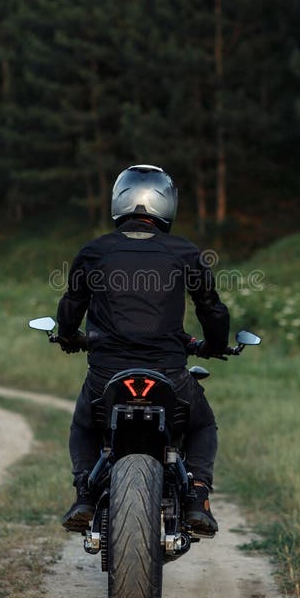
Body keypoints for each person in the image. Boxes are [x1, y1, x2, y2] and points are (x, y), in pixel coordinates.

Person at [56, 164, 230, 536]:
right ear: (167, 203)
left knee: (84, 423)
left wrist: (68, 336)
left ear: (119, 200)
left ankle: (84, 494)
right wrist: (215, 345)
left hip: (107, 376)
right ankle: (198, 496)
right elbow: (211, 309)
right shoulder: (184, 251)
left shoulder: (95, 251)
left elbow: (71, 306)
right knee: (202, 423)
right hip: (169, 374)